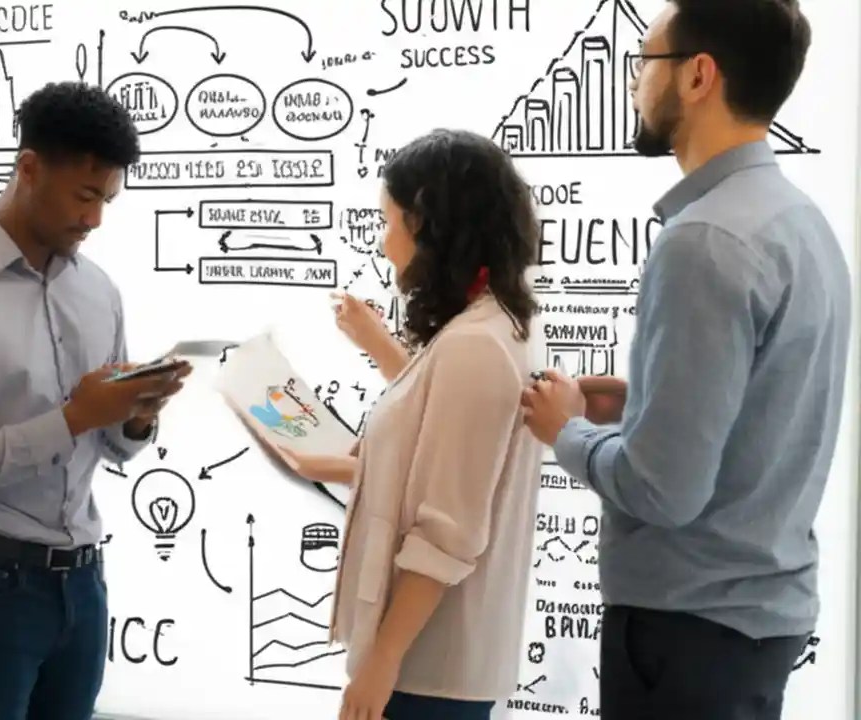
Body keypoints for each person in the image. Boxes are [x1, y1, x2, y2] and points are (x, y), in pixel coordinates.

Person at [520, 2, 847, 718]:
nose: (634, 82)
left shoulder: (705, 241)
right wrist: (645, 405)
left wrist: (566, 430)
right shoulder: (801, 223)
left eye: (645, 62)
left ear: (699, 75)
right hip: (748, 626)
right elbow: (760, 416)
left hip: (688, 636)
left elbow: (663, 491)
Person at [0, 81, 190, 720]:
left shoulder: (99, 290)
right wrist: (73, 417)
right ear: (28, 168)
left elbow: (112, 448)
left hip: (83, 581)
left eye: (107, 199)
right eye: (85, 195)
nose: (95, 218)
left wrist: (134, 418)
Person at [256, 128, 546, 720]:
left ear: (430, 227)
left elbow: (449, 530)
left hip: (428, 665)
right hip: (436, 660)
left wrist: (381, 660)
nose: (385, 245)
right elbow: (439, 426)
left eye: (390, 223)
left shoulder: (477, 346)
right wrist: (376, 348)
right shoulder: (496, 325)